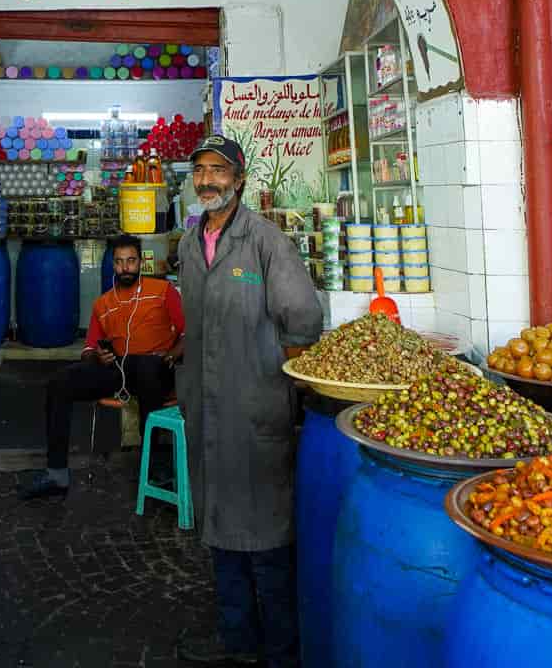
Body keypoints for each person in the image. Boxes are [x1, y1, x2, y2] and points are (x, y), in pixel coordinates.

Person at [174, 135, 323, 668]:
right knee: (219, 525)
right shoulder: (191, 243)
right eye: (199, 171)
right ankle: (236, 639)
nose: (207, 180)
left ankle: (281, 650)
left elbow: (303, 319)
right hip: (207, 406)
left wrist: (271, 375)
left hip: (255, 405)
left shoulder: (265, 242)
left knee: (266, 537)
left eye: (218, 170)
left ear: (239, 179)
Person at [18, 233, 186, 501]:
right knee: (59, 383)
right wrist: (96, 357)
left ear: (140, 262)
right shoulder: (103, 304)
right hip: (116, 369)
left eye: (131, 261)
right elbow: (88, 349)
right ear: (113, 266)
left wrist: (174, 353)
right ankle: (57, 473)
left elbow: (189, 333)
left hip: (156, 366)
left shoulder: (162, 291)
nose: (125, 268)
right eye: (119, 262)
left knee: (146, 369)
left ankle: (152, 466)